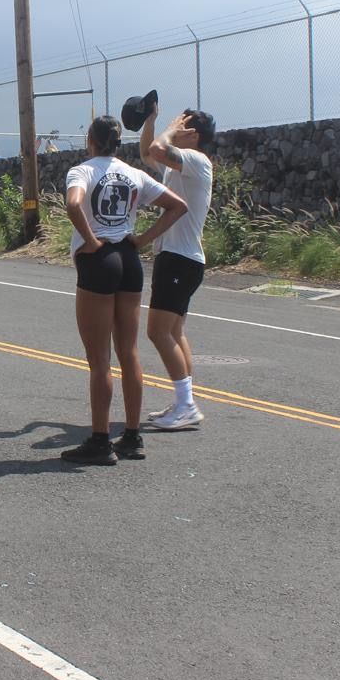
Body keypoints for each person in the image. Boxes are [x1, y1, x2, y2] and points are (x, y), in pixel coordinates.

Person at [59, 115, 188, 466]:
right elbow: (178, 205)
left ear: (91, 141)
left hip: (99, 260)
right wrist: (143, 240)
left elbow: (74, 204)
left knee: (100, 360)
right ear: (117, 142)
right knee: (128, 352)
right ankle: (132, 436)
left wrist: (90, 240)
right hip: (129, 261)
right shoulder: (134, 174)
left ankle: (101, 441)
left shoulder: (82, 171)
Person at [135, 99, 218, 432]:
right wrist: (151, 121)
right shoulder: (179, 166)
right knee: (173, 331)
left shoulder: (196, 160)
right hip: (181, 259)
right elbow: (147, 152)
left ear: (193, 135)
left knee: (157, 331)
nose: (176, 128)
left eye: (182, 125)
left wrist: (167, 131)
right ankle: (184, 401)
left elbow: (157, 148)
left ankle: (186, 405)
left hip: (180, 260)